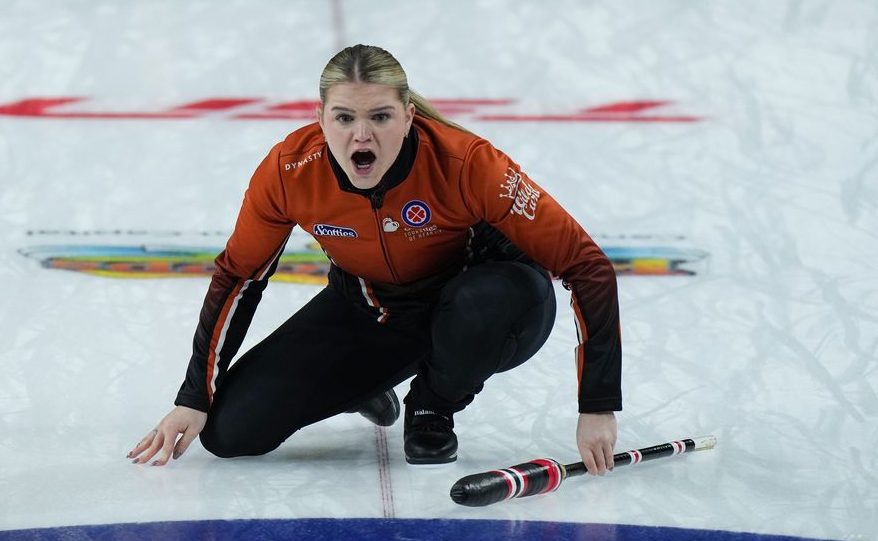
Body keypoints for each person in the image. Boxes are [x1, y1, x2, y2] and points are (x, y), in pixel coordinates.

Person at [129, 44, 621, 473]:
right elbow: (238, 277)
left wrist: (596, 404)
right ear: (321, 119)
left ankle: (432, 407)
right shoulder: (289, 172)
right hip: (374, 309)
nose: (361, 136)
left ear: (408, 116)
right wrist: (194, 395)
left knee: (479, 304)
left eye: (380, 117)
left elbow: (586, 266)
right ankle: (365, 383)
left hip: (490, 306)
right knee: (230, 433)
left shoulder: (466, 163)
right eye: (344, 118)